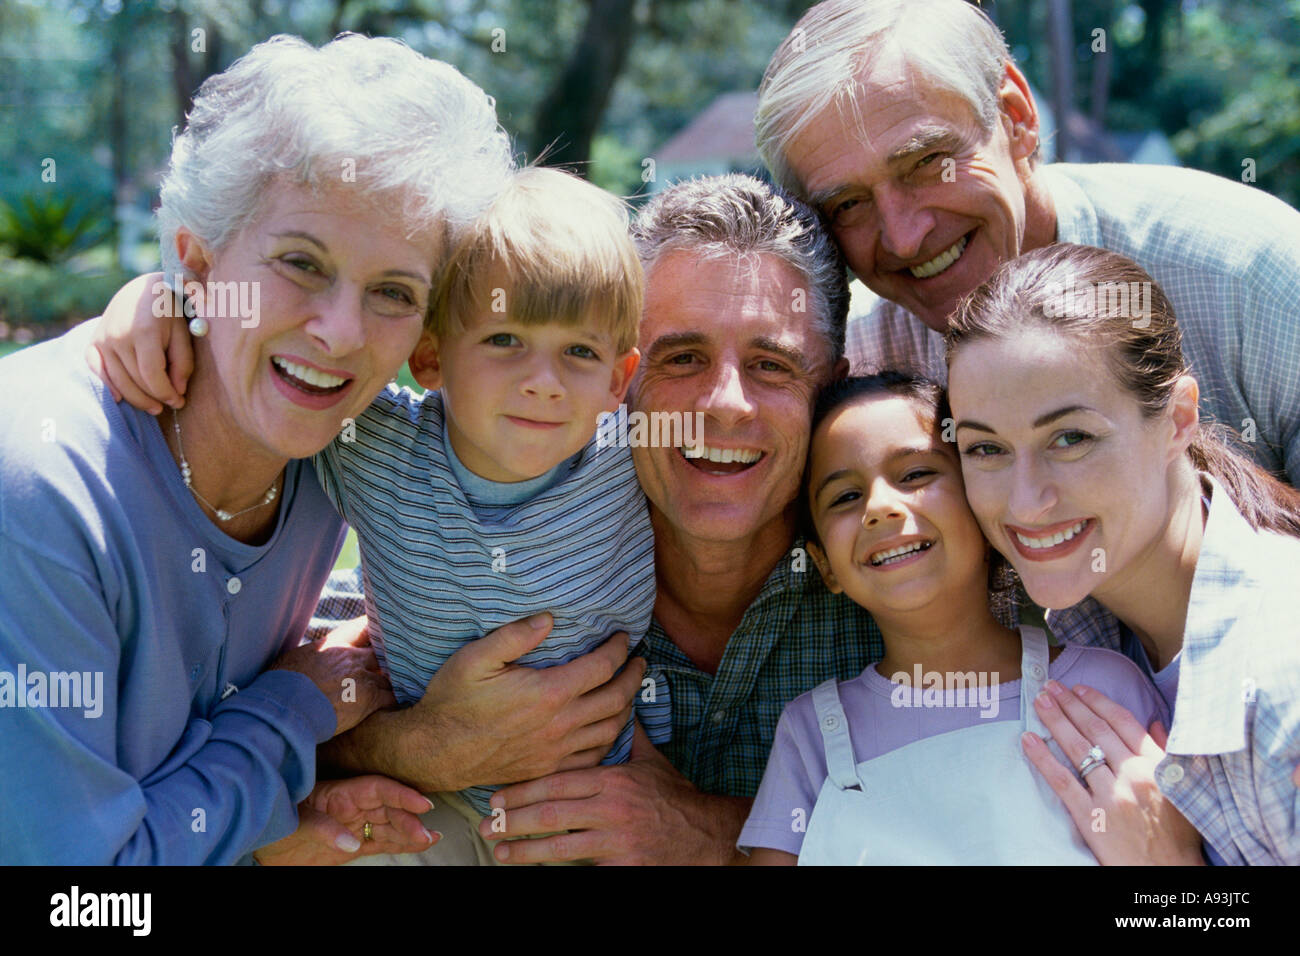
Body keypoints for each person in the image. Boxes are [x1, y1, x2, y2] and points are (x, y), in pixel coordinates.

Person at [0, 33, 516, 864]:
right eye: (301, 263)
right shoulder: (40, 486)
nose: (341, 333)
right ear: (195, 263)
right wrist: (292, 711)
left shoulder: (353, 446)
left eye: (393, 292)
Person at [313, 174, 888, 865]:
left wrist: (713, 836)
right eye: (683, 358)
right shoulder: (544, 511)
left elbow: (970, 821)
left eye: (773, 365)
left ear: (831, 389)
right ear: (623, 383)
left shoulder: (891, 588)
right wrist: (415, 746)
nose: (726, 404)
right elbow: (264, 686)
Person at [96, 166, 672, 849]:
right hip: (427, 805)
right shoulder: (375, 442)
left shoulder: (633, 451)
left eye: (578, 352)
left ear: (618, 378)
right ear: (428, 356)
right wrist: (151, 299)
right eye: (503, 341)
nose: (543, 383)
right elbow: (254, 358)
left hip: (600, 806)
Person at [755, 0, 1300, 485]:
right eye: (848, 204)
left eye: (927, 163)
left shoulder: (1247, 277)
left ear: (1015, 117)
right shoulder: (864, 363)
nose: (903, 235)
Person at [946, 242, 1300, 865]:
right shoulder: (1074, 634)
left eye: (1071, 438)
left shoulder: (1280, 686)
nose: (1026, 504)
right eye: (986, 449)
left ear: (1178, 419)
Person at [740, 372, 1164, 864]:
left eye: (916, 475)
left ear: (985, 506)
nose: (879, 507)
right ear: (825, 566)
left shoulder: (1101, 689)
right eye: (845, 497)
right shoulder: (810, 733)